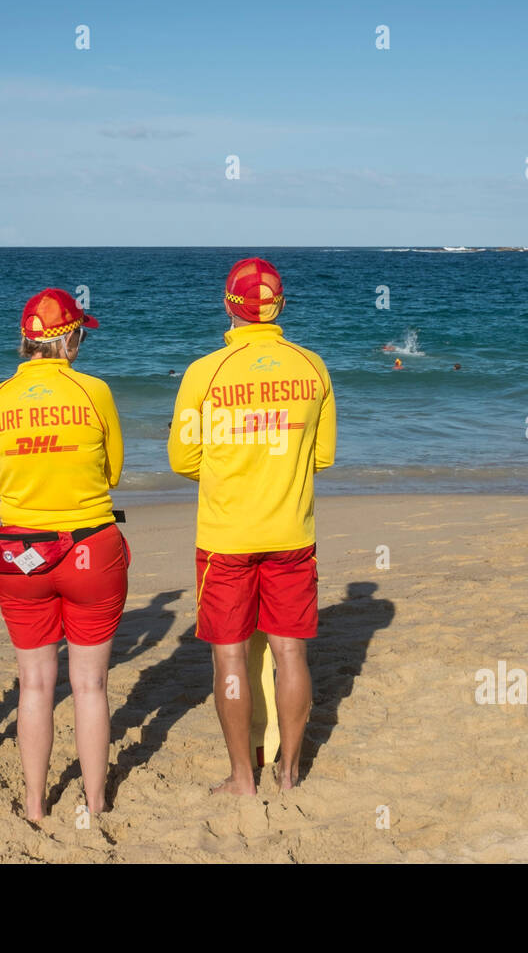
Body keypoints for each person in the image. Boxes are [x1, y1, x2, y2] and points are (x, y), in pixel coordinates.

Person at [168, 257, 336, 795]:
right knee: (290, 652)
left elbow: (183, 458)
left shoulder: (204, 371)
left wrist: (230, 463)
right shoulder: (313, 366)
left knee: (231, 656)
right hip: (291, 532)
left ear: (227, 305)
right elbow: (321, 455)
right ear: (280, 307)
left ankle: (244, 777)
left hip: (226, 537)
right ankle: (289, 773)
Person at [0, 288, 127, 821]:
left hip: (22, 556)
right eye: (80, 334)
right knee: (90, 684)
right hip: (90, 546)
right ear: (67, 339)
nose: (82, 341)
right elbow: (112, 473)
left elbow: (5, 464)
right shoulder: (95, 391)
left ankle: (35, 804)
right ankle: (94, 801)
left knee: (35, 684)